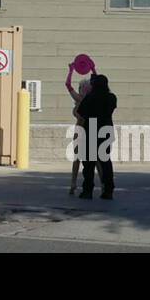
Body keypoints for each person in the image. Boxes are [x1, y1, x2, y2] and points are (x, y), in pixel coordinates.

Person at [77, 74, 118, 200]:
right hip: (106, 129)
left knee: (89, 163)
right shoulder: (111, 97)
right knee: (105, 162)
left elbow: (81, 112)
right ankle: (108, 189)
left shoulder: (90, 97)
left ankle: (87, 190)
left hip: (92, 128)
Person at [65, 54, 96, 196]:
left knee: (95, 159)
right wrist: (71, 70)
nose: (86, 88)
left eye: (87, 86)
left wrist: (93, 68)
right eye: (83, 87)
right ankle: (73, 183)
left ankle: (102, 182)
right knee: (77, 158)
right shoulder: (78, 99)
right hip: (80, 130)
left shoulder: (92, 98)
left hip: (91, 130)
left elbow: (99, 82)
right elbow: (68, 85)